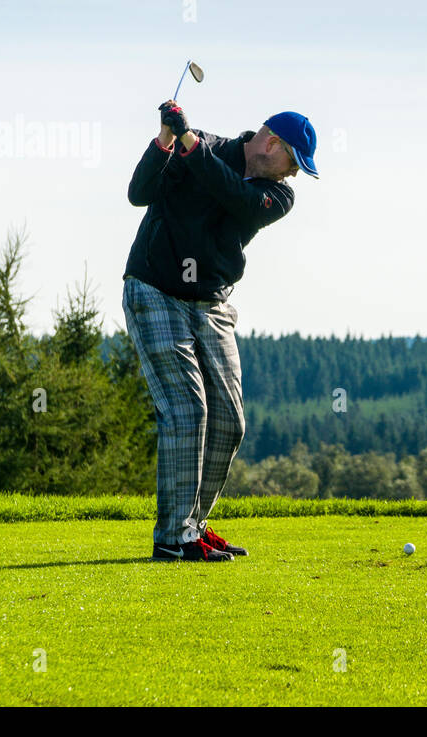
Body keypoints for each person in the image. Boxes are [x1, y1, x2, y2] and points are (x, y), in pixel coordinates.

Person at [121, 99, 318, 561]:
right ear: (272, 142)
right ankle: (173, 537)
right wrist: (166, 142)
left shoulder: (278, 196)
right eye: (294, 162)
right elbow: (138, 193)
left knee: (229, 419)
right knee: (188, 410)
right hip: (154, 288)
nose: (293, 175)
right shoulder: (202, 146)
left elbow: (235, 196)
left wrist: (188, 145)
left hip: (212, 303)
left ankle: (193, 525)